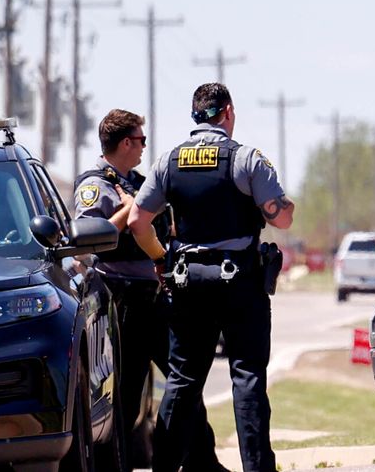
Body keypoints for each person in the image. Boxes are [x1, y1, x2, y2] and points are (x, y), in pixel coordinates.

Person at [129, 84, 295, 472]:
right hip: (239, 283)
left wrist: (160, 259)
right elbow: (281, 218)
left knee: (183, 380)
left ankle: (165, 466)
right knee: (248, 377)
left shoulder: (168, 161)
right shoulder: (245, 159)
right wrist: (284, 204)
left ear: (195, 115)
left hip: (187, 284)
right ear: (229, 112)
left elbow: (138, 222)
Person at [73, 110, 229, 471]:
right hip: (120, 301)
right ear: (126, 142)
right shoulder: (94, 186)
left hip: (155, 296)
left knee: (184, 379)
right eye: (140, 139)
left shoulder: (139, 182)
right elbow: (86, 242)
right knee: (125, 396)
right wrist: (126, 214)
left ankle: (202, 461)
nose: (144, 146)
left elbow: (164, 228)